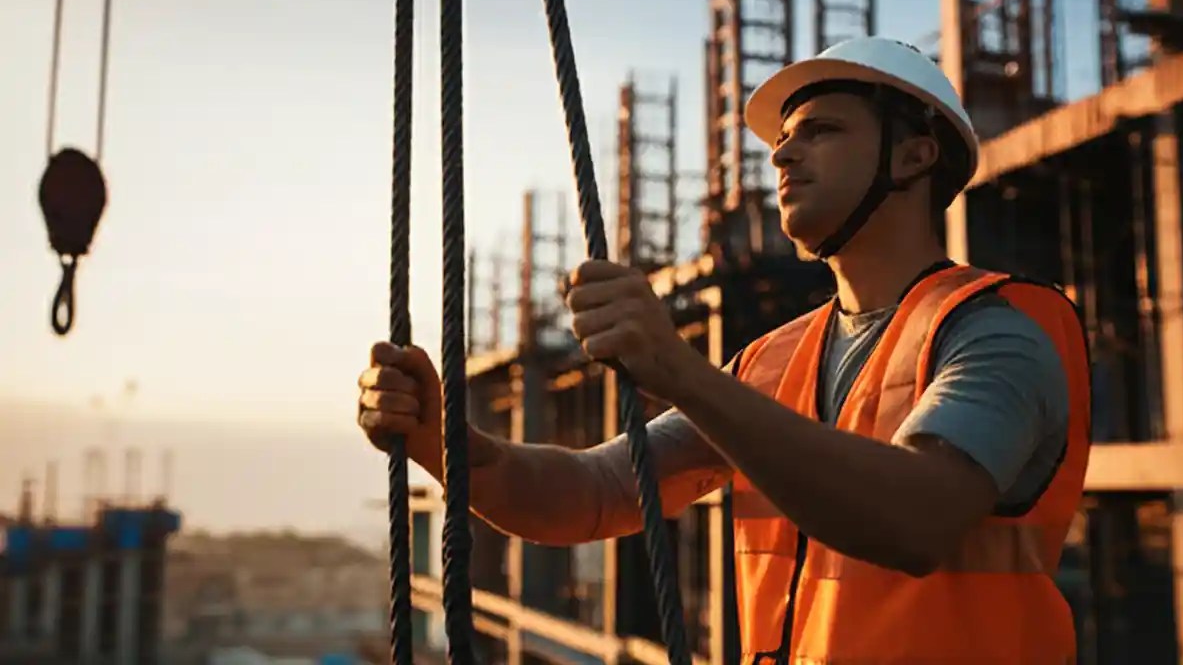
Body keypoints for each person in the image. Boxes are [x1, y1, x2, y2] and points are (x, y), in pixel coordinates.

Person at [357, 37, 1092, 663]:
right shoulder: (773, 364)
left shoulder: (997, 332)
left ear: (914, 156)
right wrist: (447, 445)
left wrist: (676, 369)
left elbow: (918, 520)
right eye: (782, 140)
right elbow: (590, 496)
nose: (784, 153)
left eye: (821, 131)